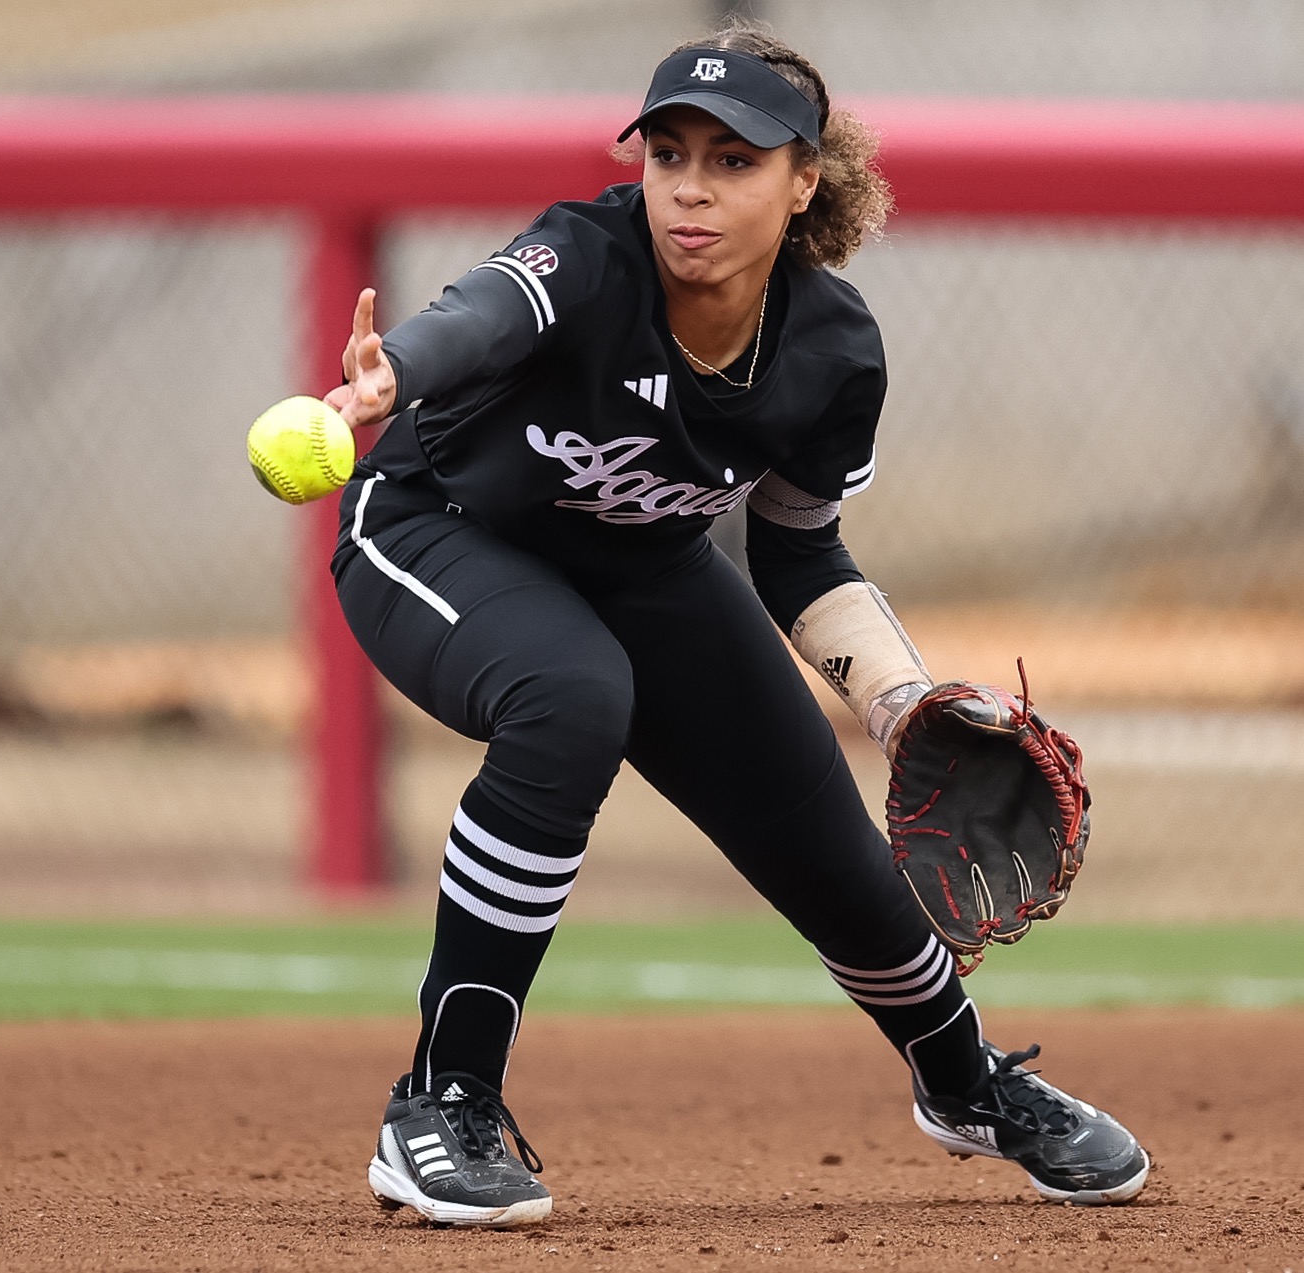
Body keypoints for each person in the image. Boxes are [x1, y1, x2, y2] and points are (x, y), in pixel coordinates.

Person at [321, 22, 1149, 1229]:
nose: (690, 188)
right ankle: (440, 1101)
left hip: (643, 568)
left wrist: (898, 698)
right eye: (667, 153)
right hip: (438, 529)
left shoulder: (829, 349)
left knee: (831, 852)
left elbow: (798, 548)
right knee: (569, 696)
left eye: (733, 158)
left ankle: (964, 1084)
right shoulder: (583, 257)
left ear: (802, 179)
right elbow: (487, 313)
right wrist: (396, 362)